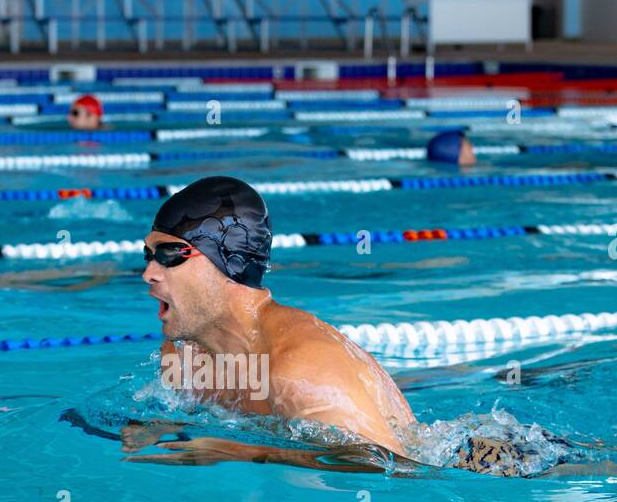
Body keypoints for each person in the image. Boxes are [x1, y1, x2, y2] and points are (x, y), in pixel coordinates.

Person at [129, 175, 528, 472]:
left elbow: (399, 468)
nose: (148, 272)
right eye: (147, 254)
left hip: (491, 466)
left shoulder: (299, 367)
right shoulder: (184, 354)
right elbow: (180, 413)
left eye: (168, 254)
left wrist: (242, 451)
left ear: (227, 261)